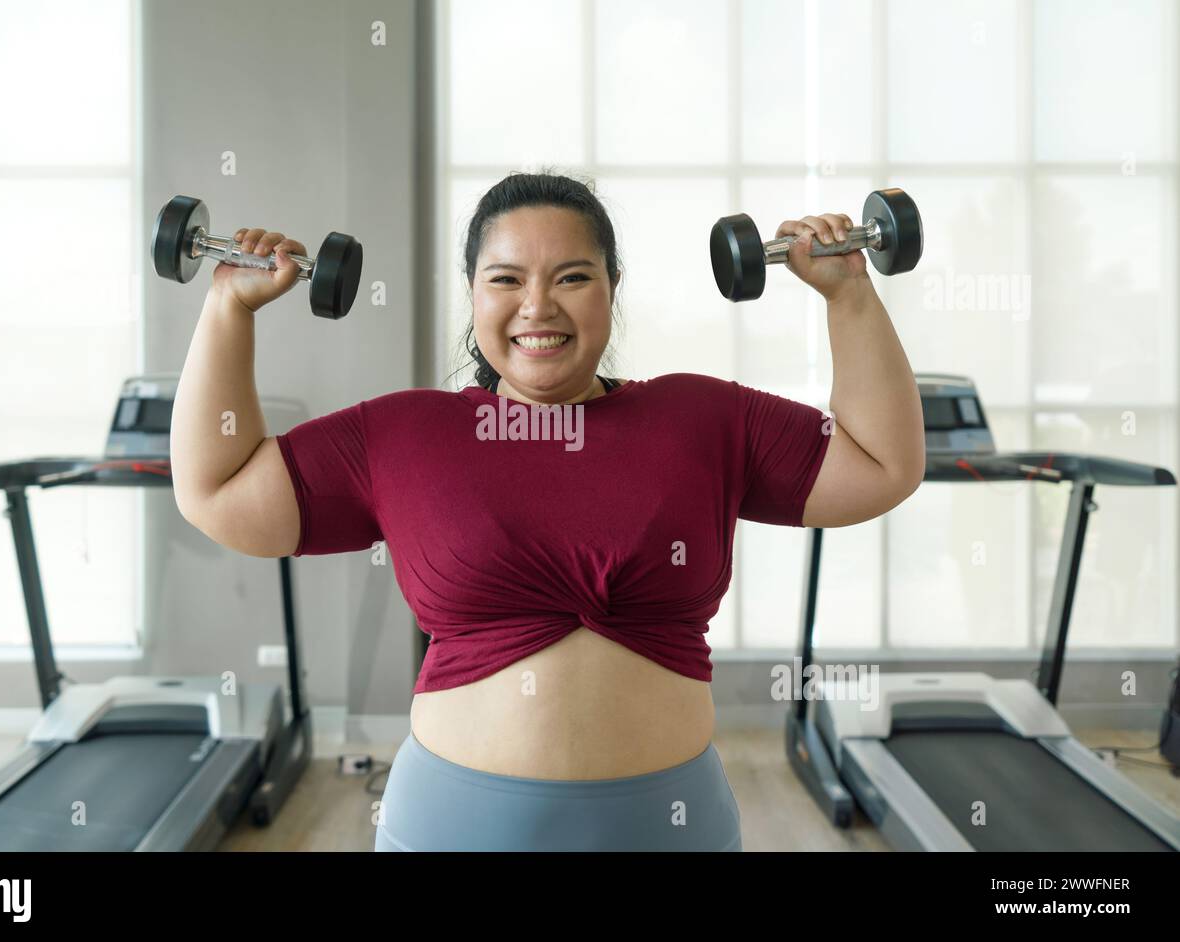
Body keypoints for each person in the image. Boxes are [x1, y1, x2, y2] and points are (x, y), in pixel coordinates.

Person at [171, 171, 925, 851]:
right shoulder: (404, 433)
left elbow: (881, 466)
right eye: (506, 279)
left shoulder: (700, 418)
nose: (538, 306)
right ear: (473, 290)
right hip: (454, 829)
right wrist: (229, 308)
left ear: (612, 286)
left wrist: (848, 294)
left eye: (572, 276)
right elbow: (217, 491)